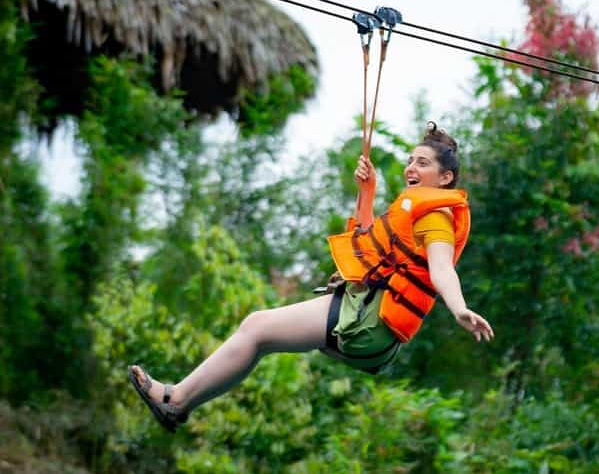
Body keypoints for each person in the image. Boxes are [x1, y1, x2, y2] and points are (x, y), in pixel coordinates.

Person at [128, 122, 494, 432]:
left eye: (423, 163)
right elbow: (366, 242)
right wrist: (366, 194)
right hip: (368, 319)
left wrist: (459, 308)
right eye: (411, 160)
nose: (411, 167)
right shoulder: (413, 211)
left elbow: (442, 268)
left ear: (445, 178)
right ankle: (180, 404)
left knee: (256, 328)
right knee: (260, 337)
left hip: (369, 322)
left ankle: (176, 399)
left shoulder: (437, 216)